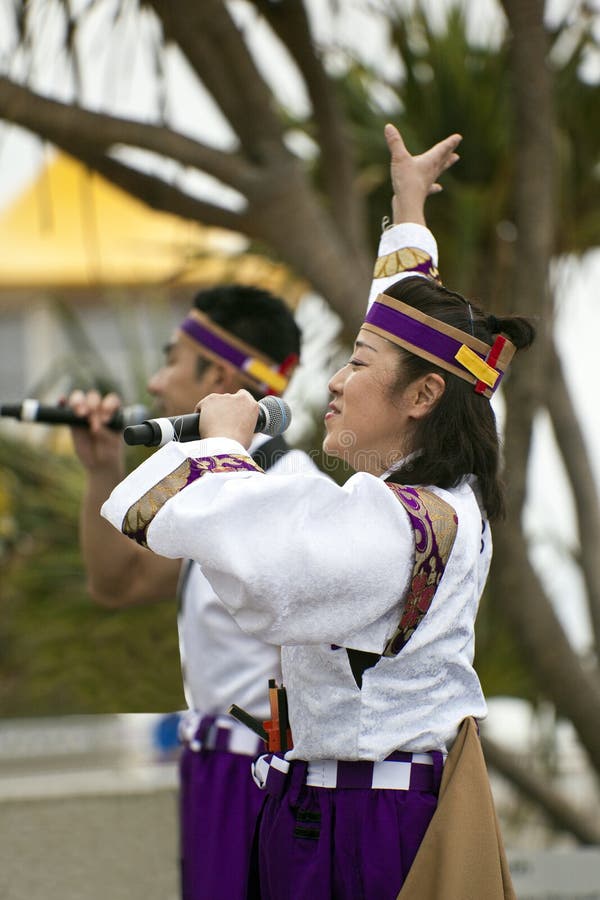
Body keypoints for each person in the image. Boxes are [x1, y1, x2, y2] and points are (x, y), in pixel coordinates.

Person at [100, 124, 532, 899]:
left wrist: (225, 448)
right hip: (332, 804)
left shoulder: (402, 525)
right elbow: (402, 317)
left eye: (357, 364)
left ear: (423, 398)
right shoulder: (442, 493)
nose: (336, 381)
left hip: (362, 826)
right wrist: (408, 207)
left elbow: (271, 577)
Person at [68, 284, 319, 900]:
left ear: (220, 374)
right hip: (214, 769)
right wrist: (102, 468)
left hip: (264, 774)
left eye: (172, 360)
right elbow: (116, 585)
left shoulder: (290, 488)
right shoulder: (209, 493)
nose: (154, 383)